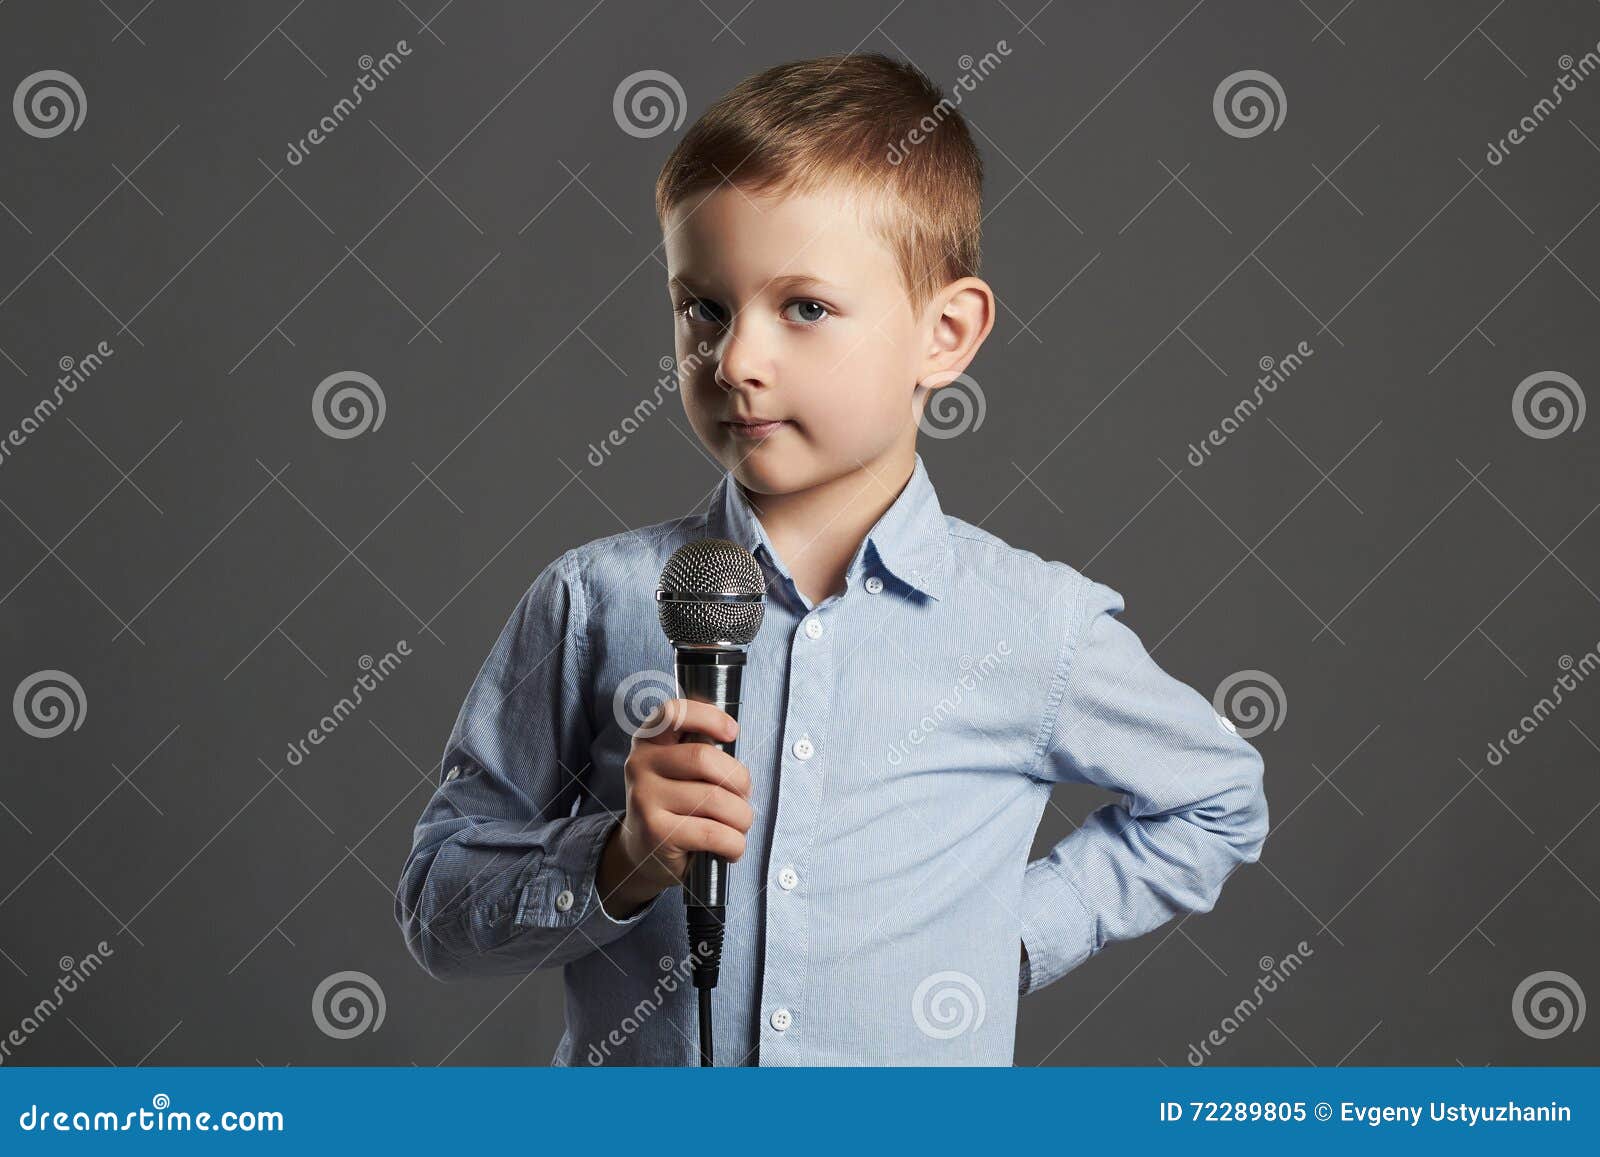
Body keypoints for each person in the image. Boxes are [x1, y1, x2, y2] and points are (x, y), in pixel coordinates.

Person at [394, 52, 1269, 1065]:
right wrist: (618, 859)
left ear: (944, 335)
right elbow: (438, 900)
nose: (734, 360)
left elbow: (1214, 794)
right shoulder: (592, 601)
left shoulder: (1032, 626)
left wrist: (1004, 942)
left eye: (803, 306)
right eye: (702, 308)